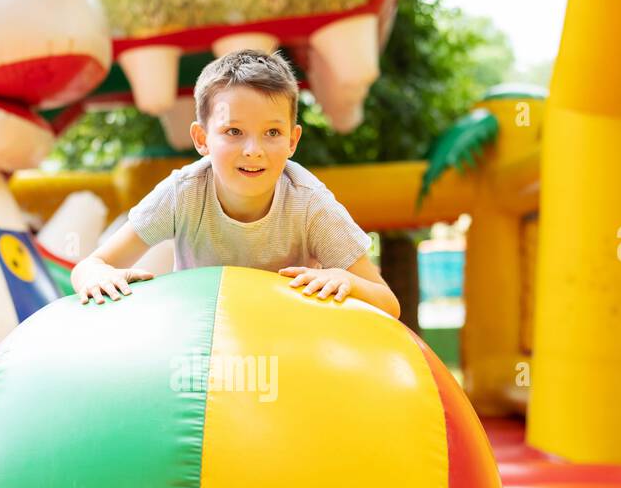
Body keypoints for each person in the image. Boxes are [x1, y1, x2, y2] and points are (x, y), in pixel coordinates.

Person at [70, 50, 401, 318]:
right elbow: (91, 265)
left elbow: (388, 303)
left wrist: (344, 279)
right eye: (234, 132)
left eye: (272, 133)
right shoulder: (183, 192)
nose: (253, 150)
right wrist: (96, 276)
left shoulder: (308, 203)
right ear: (202, 139)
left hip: (287, 341)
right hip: (205, 339)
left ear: (292, 140)